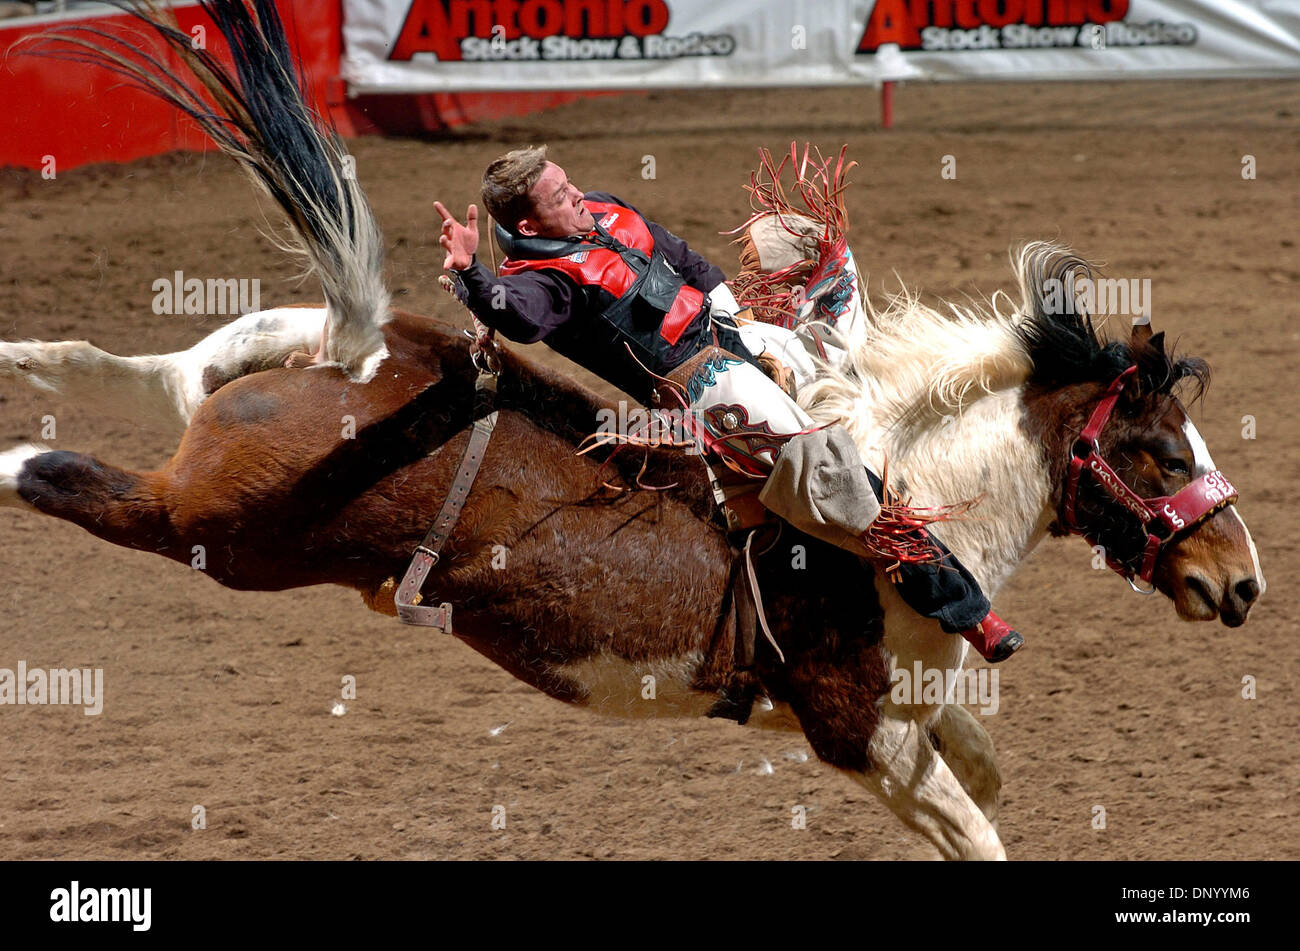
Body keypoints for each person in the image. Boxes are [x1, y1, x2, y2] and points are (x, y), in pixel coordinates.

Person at [433, 146, 1022, 663]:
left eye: (568, 182)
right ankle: (966, 611)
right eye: (559, 196)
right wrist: (472, 277)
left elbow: (669, 247)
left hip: (727, 329)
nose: (576, 195)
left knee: (839, 303)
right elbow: (519, 315)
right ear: (529, 223)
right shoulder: (543, 280)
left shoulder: (603, 208)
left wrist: (723, 299)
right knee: (842, 480)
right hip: (705, 384)